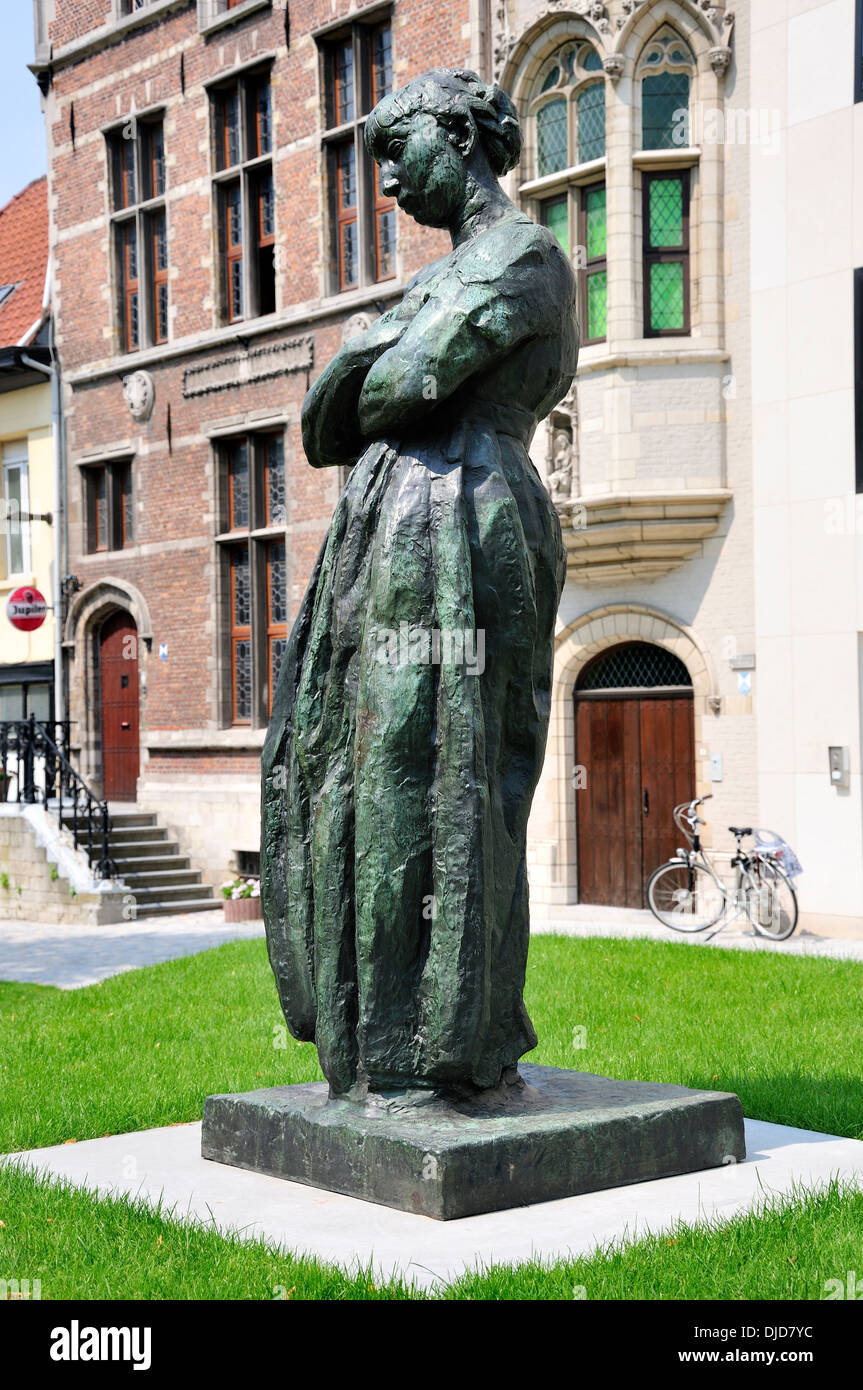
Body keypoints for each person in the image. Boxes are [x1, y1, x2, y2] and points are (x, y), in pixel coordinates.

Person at [261, 68, 578, 1102]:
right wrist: (368, 356)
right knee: (363, 764)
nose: (387, 180)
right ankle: (375, 1038)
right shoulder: (428, 284)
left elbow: (404, 384)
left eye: (400, 151)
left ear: (459, 139)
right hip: (389, 530)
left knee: (450, 766)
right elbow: (319, 430)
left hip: (469, 519)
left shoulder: (524, 257)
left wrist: (364, 353)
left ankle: (457, 1039)